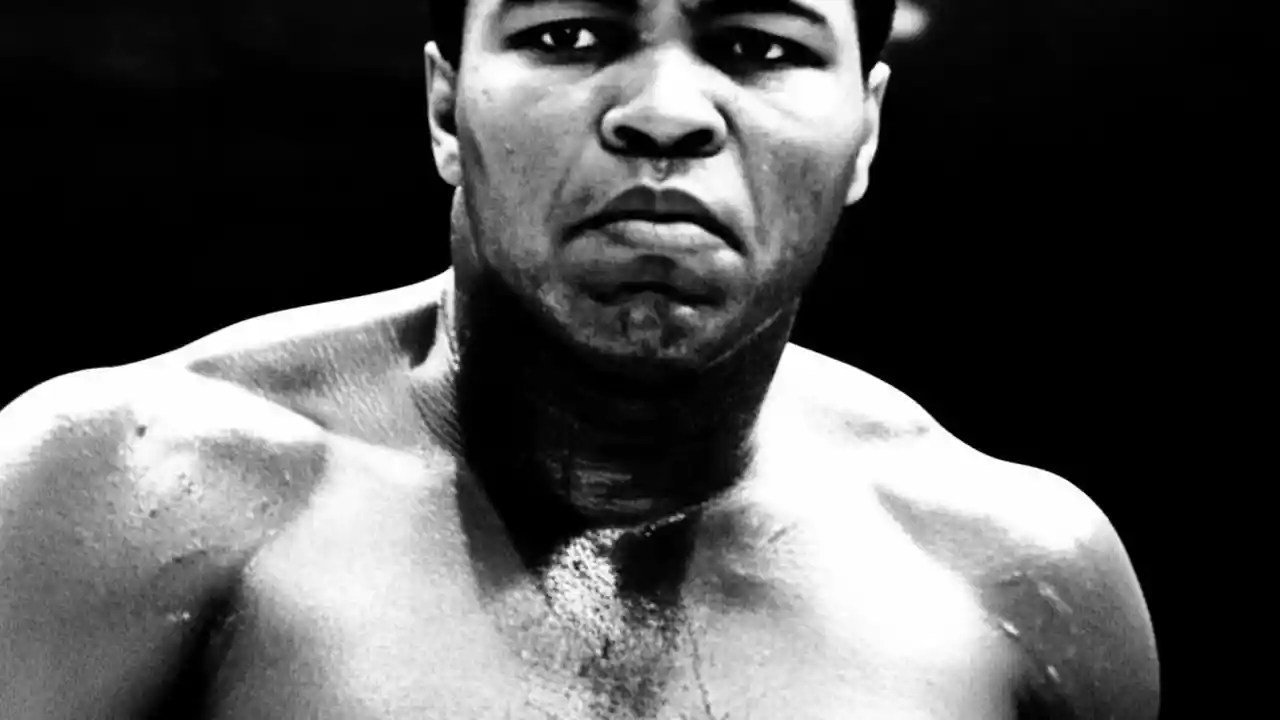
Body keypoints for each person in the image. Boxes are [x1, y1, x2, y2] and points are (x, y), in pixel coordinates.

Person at [0, 0, 1159, 718]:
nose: (662, 112)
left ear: (865, 130)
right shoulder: (132, 489)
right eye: (571, 35)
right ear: (446, 108)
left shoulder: (1016, 577)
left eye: (755, 44)